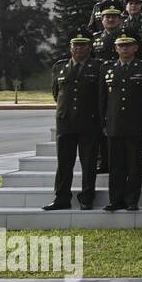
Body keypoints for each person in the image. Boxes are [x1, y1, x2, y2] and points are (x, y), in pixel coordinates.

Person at [45, 32, 105, 211]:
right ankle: (61, 198)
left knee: (88, 163)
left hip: (89, 122)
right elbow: (57, 94)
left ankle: (87, 198)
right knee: (64, 163)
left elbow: (101, 95)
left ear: (90, 47)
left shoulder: (98, 66)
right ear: (70, 47)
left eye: (83, 45)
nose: (78, 48)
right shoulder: (60, 67)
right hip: (65, 122)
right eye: (75, 45)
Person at [100, 35, 142, 212]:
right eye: (121, 46)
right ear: (115, 48)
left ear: (135, 47)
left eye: (128, 45)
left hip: (135, 124)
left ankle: (132, 200)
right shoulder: (107, 68)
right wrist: (103, 122)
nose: (124, 49)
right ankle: (115, 199)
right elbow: (102, 99)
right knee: (115, 165)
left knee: (134, 166)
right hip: (114, 124)